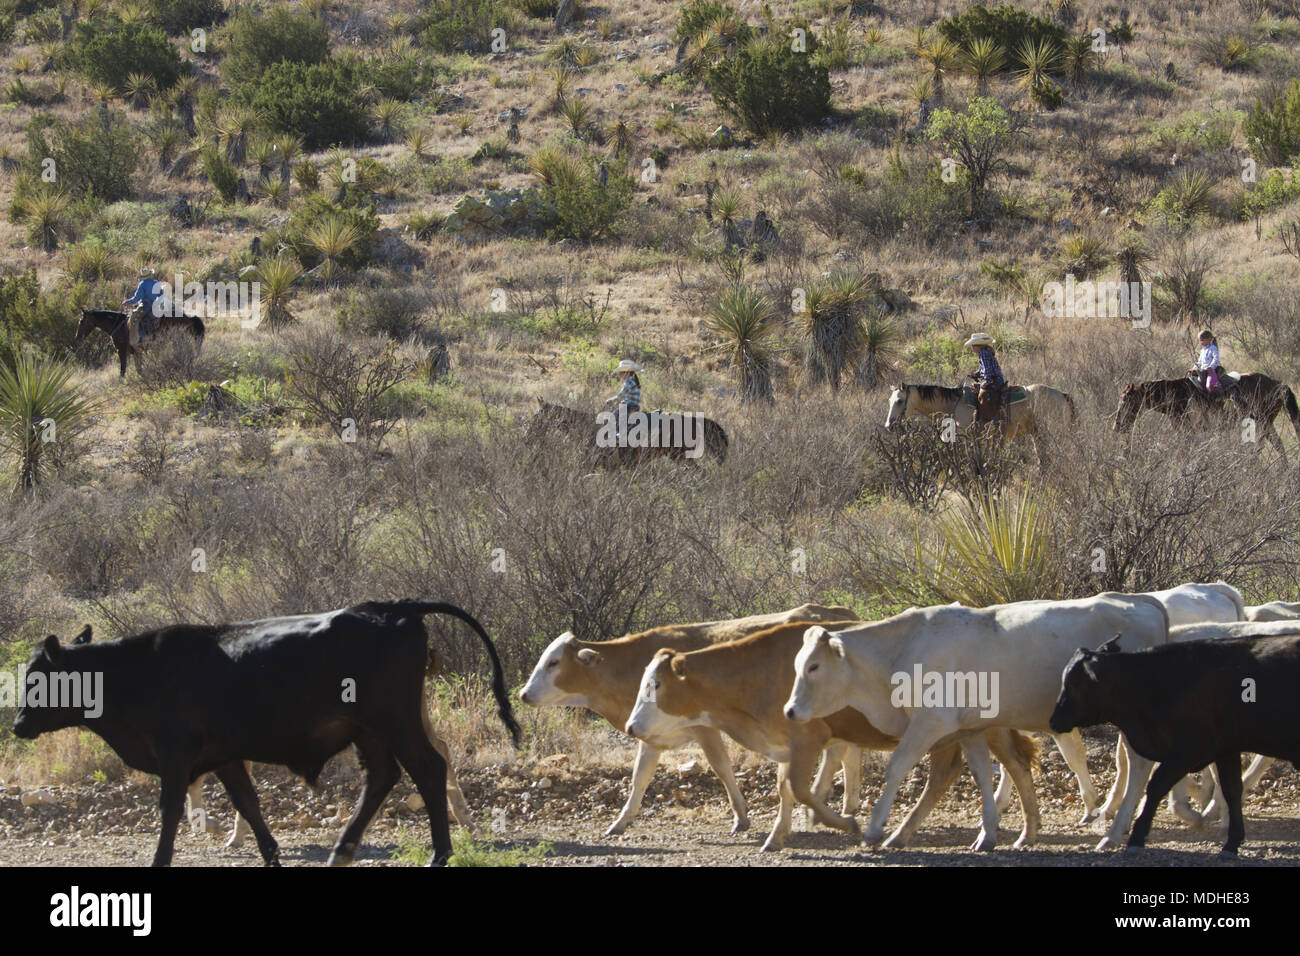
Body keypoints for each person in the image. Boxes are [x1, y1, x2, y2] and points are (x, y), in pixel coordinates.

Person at [965, 332, 1006, 424]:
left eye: (973, 345)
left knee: (983, 394)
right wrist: (975, 374)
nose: (972, 348)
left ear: (978, 345)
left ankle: (991, 418)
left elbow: (987, 370)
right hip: (995, 378)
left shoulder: (983, 353)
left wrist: (986, 382)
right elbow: (982, 370)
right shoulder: (984, 353)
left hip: (994, 379)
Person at [122, 267, 163, 345]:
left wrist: (127, 302)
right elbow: (161, 295)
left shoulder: (142, 284)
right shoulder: (156, 282)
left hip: (146, 306)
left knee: (133, 319)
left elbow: (136, 298)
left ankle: (140, 339)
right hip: (156, 306)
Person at [606, 359, 643, 440]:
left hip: (630, 406)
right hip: (634, 405)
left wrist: (611, 400)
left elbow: (620, 396)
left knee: (615, 415)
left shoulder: (628, 382)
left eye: (621, 372)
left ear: (627, 373)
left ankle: (618, 434)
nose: (620, 374)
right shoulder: (633, 381)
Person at [1190, 329, 1224, 395]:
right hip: (1202, 372)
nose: (1201, 342)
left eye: (1202, 340)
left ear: (1208, 339)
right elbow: (1199, 362)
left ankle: (1221, 395)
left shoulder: (1213, 348)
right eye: (1200, 340)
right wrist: (1193, 369)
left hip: (1210, 371)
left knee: (1210, 386)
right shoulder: (1203, 350)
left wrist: (1211, 366)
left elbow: (1216, 358)